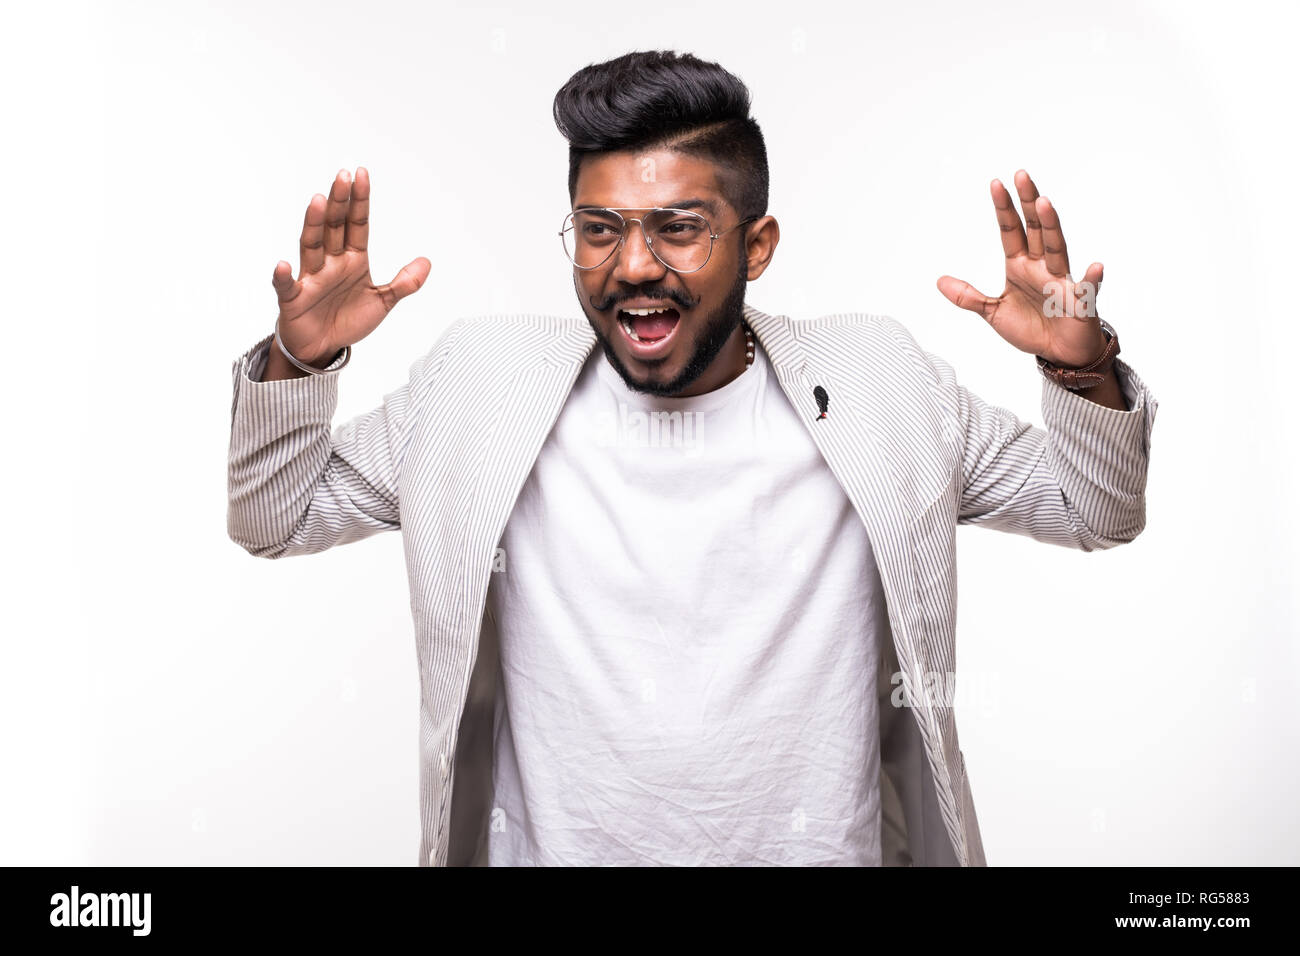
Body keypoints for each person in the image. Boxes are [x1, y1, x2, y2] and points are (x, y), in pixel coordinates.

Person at [227, 50, 1158, 866]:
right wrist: (300, 360)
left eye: (678, 228)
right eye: (599, 228)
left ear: (757, 245)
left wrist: (1077, 366)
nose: (632, 265)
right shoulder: (478, 390)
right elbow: (274, 517)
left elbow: (1094, 507)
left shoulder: (880, 385)